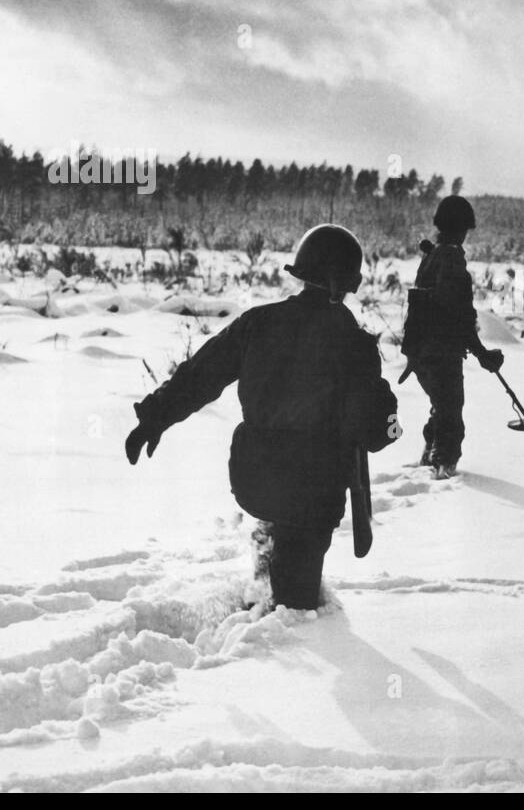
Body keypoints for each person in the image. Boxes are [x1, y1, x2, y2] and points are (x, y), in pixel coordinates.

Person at [124, 225, 399, 610]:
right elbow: (374, 430)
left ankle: (262, 589)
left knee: (277, 541)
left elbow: (201, 374)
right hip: (312, 495)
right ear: (345, 282)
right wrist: (391, 420)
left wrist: (154, 417)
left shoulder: (258, 322)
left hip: (255, 480)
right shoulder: (353, 343)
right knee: (297, 610)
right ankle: (269, 632)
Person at [401, 195, 504, 479]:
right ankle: (442, 474)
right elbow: (456, 314)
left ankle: (429, 461)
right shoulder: (450, 261)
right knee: (450, 414)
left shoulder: (432, 256)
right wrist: (482, 352)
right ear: (463, 229)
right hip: (439, 353)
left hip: (421, 352)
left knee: (442, 407)